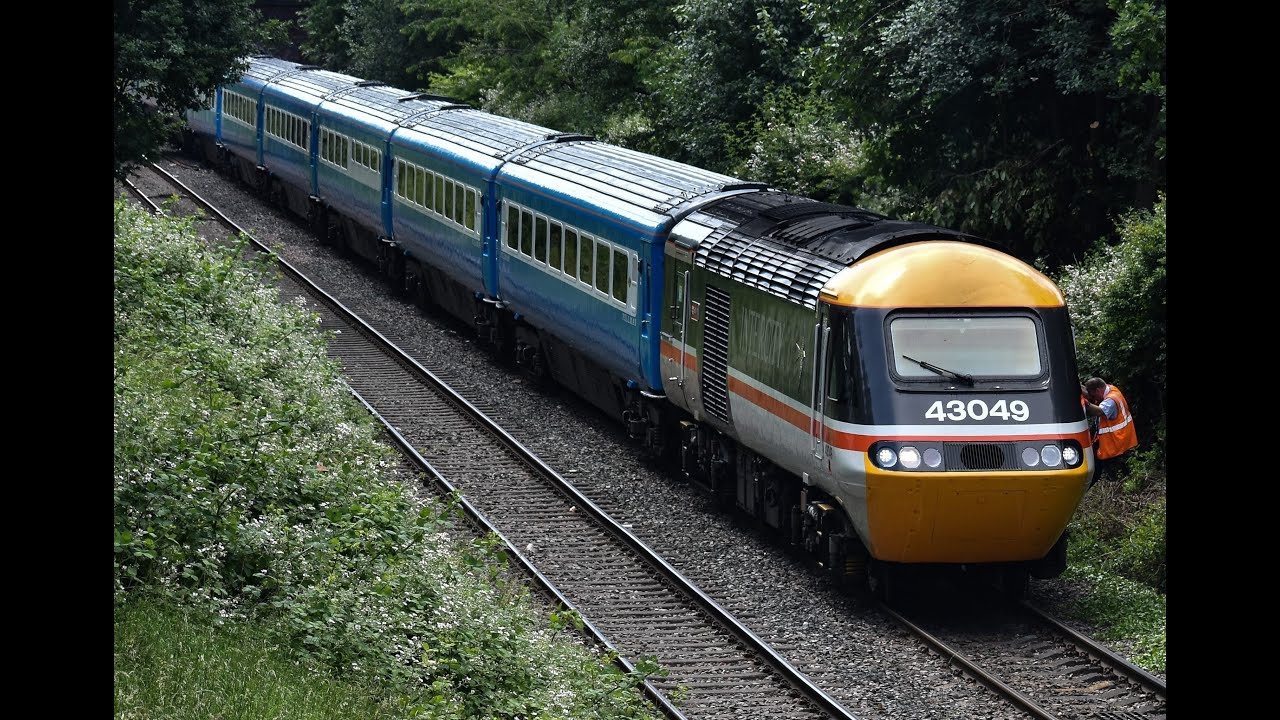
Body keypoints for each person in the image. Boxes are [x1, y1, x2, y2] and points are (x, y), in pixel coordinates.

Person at [1081, 377, 1138, 487]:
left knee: (1105, 473)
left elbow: (1100, 411)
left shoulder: (1111, 400)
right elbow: (1088, 394)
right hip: (1109, 443)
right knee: (1095, 470)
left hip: (1115, 445)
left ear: (1098, 391)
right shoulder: (1110, 389)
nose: (1093, 399)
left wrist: (1086, 404)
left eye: (1093, 395)